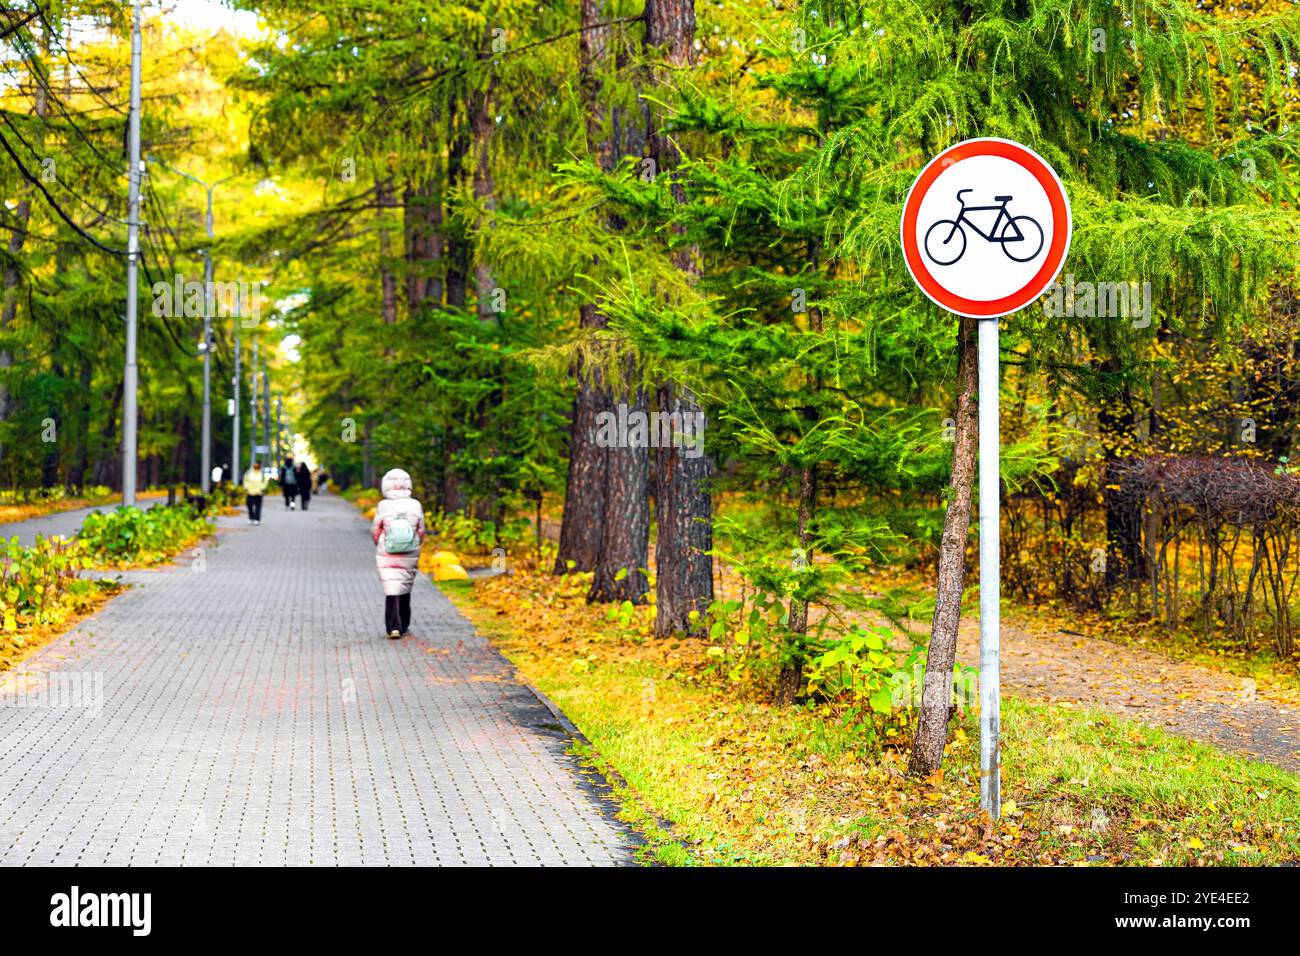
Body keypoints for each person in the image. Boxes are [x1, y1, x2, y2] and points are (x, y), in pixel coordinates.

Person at [371, 468, 425, 639]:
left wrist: (379, 543)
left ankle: (393, 626)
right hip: (410, 550)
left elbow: (376, 530)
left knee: (391, 586)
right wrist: (416, 543)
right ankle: (405, 622)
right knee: (405, 584)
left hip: (388, 551)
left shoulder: (383, 505)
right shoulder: (415, 505)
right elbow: (421, 529)